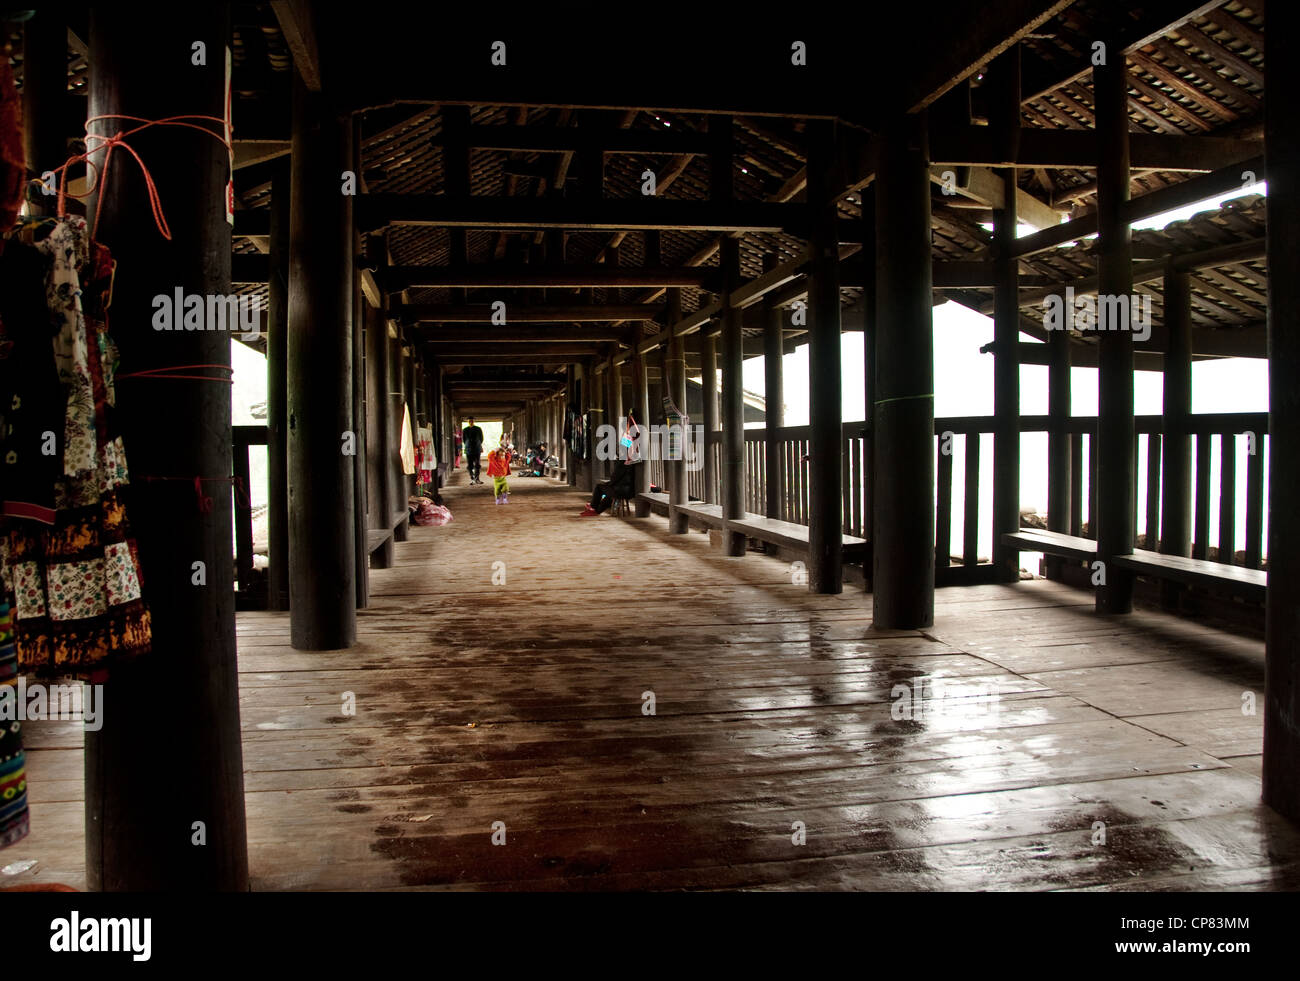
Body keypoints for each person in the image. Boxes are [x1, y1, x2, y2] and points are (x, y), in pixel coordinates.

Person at [461, 417, 484, 484]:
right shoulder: (465, 430)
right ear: (468, 422)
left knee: (477, 464)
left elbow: (481, 438)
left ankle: (477, 478)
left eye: (472, 421)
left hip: (477, 448)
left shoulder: (478, 429)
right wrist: (468, 444)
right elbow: (464, 440)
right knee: (470, 465)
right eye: (470, 421)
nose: (471, 422)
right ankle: (472, 478)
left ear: (474, 421)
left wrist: (477, 444)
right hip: (468, 449)